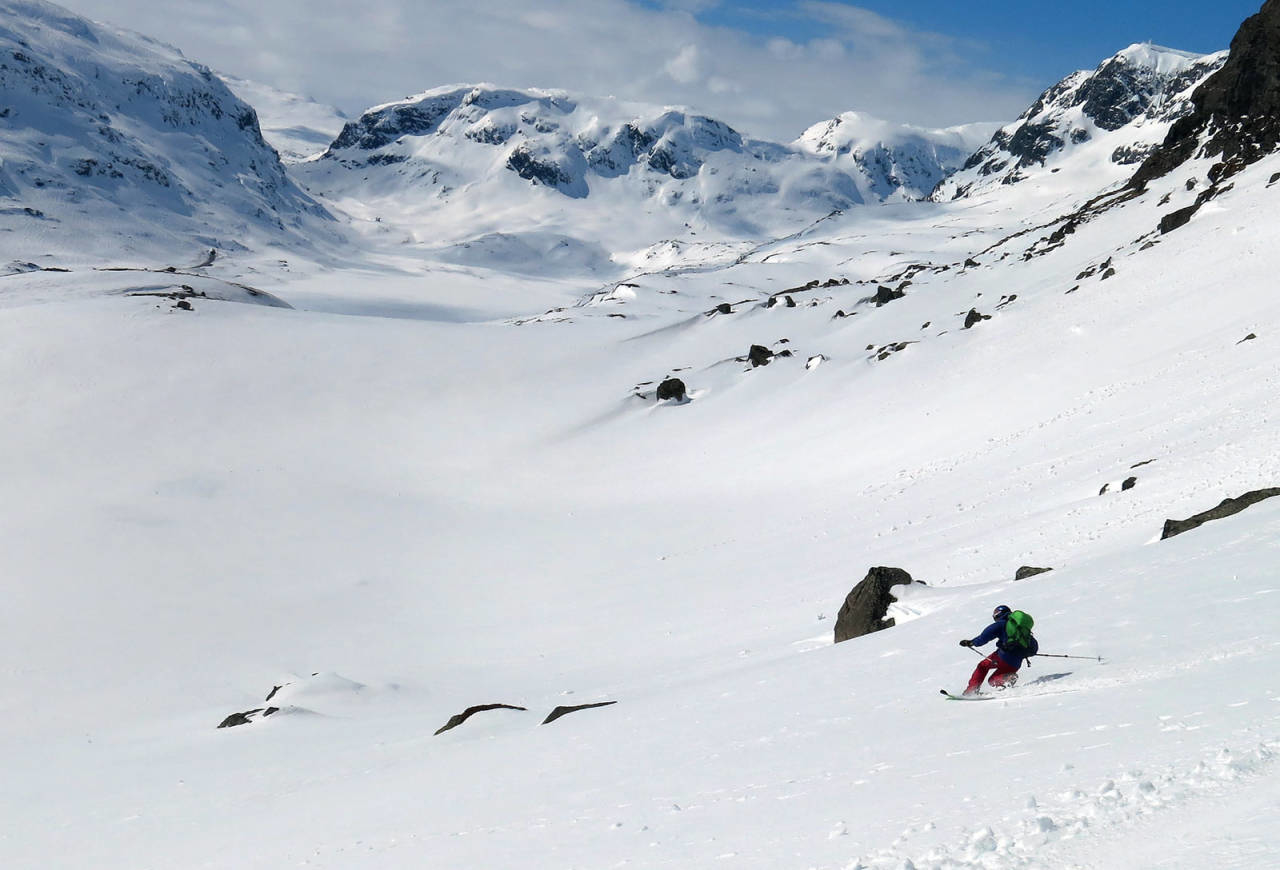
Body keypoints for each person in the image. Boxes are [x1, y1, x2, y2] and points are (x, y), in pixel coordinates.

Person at [959, 604, 1038, 695]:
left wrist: (971, 642)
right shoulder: (1021, 629)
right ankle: (1008, 678)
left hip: (1003, 656)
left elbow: (983, 638)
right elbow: (1033, 647)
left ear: (997, 615)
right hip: (1016, 663)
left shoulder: (1001, 624)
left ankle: (971, 691)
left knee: (982, 666)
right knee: (992, 680)